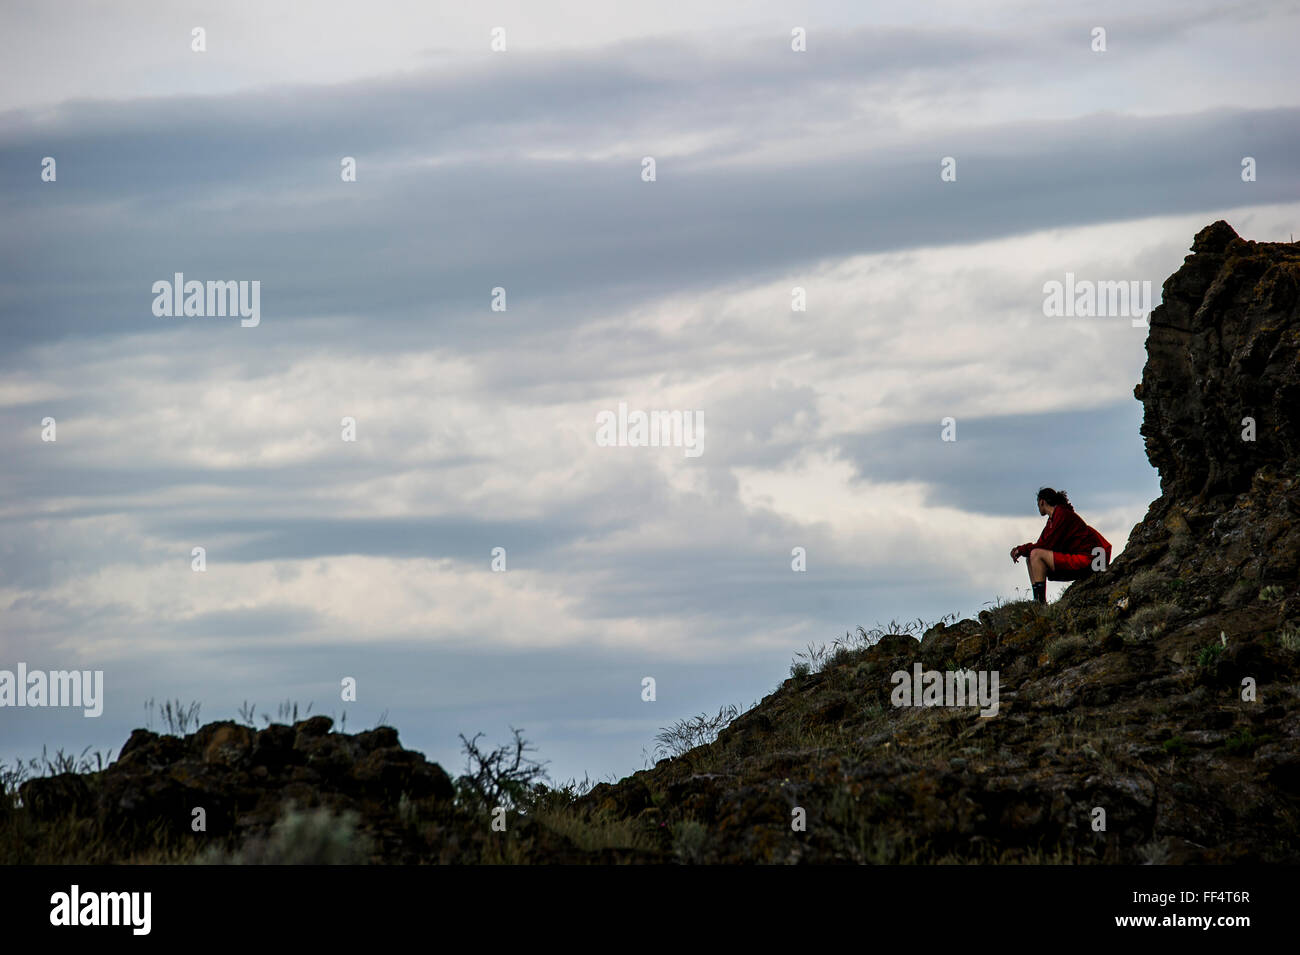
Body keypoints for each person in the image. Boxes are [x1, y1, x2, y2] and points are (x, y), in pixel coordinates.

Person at [1010, 487, 1112, 604]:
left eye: (1038, 504)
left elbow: (1046, 545)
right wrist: (1022, 550)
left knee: (1036, 554)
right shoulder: (1052, 520)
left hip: (1087, 560)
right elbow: (1042, 544)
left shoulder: (1062, 515)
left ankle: (1041, 602)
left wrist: (1020, 550)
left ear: (1042, 502)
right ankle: (1037, 599)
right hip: (1078, 558)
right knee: (1030, 558)